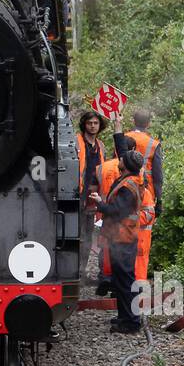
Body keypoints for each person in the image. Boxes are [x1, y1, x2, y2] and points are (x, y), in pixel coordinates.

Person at [88, 149, 153, 333]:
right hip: (121, 236)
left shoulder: (128, 186)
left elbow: (117, 211)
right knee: (121, 279)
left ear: (126, 165)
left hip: (123, 237)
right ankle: (125, 316)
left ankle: (131, 322)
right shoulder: (129, 180)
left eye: (122, 158)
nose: (119, 159)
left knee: (125, 281)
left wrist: (100, 203)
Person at [124, 108, 163, 282]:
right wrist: (159, 199)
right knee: (142, 235)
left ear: (133, 120)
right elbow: (158, 175)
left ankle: (121, 274)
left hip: (124, 189)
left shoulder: (123, 138)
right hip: (146, 193)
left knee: (123, 232)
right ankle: (138, 277)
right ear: (148, 123)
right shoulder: (153, 144)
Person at [76, 110, 109, 276]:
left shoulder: (101, 146)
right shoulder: (76, 142)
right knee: (76, 233)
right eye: (90, 123)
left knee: (88, 235)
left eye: (96, 123)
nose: (93, 126)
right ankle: (72, 267)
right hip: (77, 194)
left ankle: (81, 269)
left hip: (93, 196)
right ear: (85, 124)